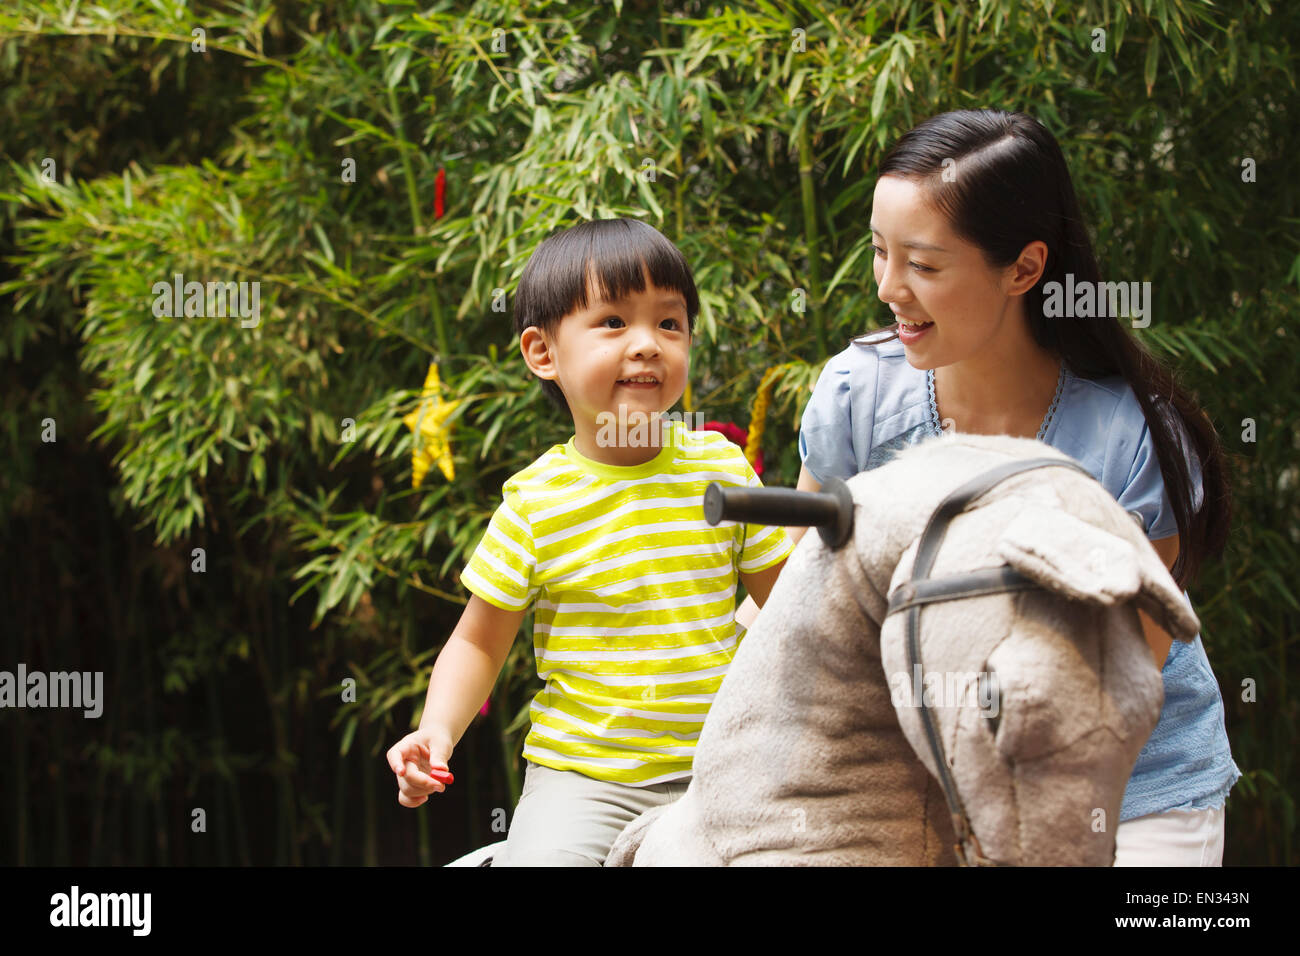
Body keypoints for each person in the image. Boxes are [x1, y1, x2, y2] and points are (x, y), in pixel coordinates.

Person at [736, 109, 1239, 866]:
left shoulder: (1128, 435)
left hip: (1128, 785)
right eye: (879, 252)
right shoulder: (857, 397)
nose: (888, 288)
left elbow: (1123, 664)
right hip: (909, 780)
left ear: (1025, 268)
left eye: (925, 266)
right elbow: (802, 592)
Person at [387, 218, 794, 865]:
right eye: (613, 322)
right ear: (543, 353)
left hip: (720, 766)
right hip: (584, 779)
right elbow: (477, 642)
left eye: (670, 323)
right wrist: (435, 732)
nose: (648, 345)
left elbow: (793, 608)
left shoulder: (720, 468)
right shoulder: (536, 501)